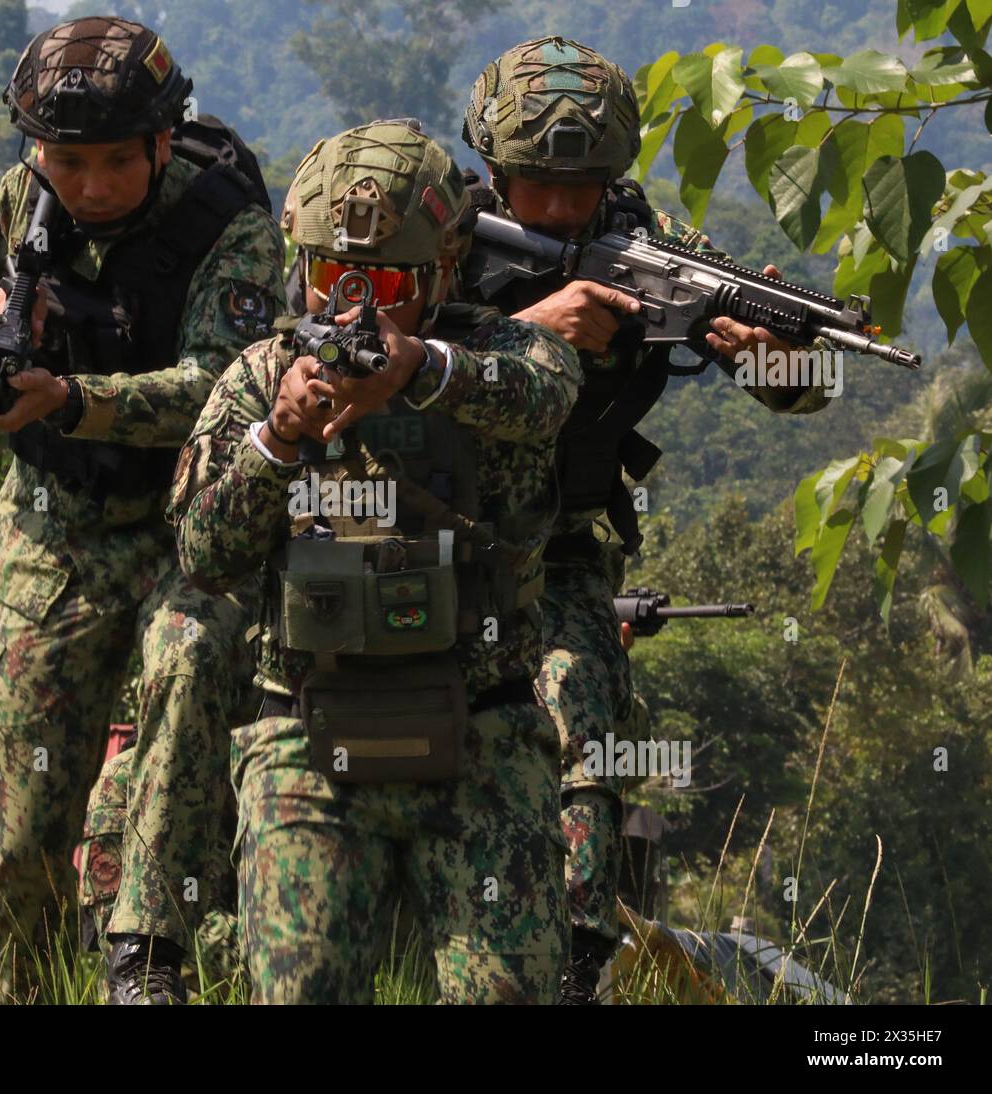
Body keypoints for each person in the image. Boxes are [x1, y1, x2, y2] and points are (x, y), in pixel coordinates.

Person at [168, 119, 586, 1003]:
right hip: (305, 734)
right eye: (332, 277)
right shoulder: (257, 377)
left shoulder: (504, 355)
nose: (355, 303)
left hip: (483, 733)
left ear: (443, 273)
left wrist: (421, 374)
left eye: (387, 283)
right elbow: (203, 553)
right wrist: (278, 439)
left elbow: (542, 394)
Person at [0, 16, 285, 1003]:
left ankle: (145, 951)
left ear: (161, 142)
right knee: (29, 816)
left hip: (184, 528)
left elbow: (223, 384)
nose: (86, 184)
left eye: (113, 161)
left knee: (191, 666)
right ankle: (22, 979)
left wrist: (76, 400)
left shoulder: (228, 221)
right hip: (54, 534)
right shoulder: (20, 203)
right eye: (64, 160)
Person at [459, 35, 828, 1003]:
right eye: (540, 184)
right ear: (493, 167)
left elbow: (804, 390)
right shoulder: (437, 231)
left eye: (585, 185)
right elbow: (356, 341)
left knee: (587, 724)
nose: (565, 207)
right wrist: (524, 330)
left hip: (562, 545)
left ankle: (582, 957)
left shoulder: (653, 243)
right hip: (425, 538)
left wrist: (767, 354)